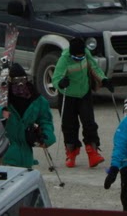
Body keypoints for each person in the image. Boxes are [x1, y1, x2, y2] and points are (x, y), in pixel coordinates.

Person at [0, 64, 55, 168]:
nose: (20, 85)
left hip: (26, 158)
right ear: (9, 82)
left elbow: (46, 120)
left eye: (23, 80)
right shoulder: (1, 98)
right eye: (16, 82)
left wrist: (46, 137)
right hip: (5, 156)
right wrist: (0, 111)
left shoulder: (36, 100)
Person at [52, 35, 106, 168]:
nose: (79, 59)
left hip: (84, 93)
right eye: (76, 57)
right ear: (71, 54)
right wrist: (61, 83)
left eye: (81, 57)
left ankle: (92, 152)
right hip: (68, 95)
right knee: (69, 125)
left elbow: (95, 68)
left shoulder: (85, 53)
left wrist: (104, 79)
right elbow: (56, 78)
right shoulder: (64, 59)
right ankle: (71, 153)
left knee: (89, 122)